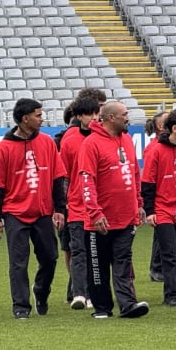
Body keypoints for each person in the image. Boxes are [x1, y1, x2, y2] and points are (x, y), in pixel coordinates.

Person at [0, 98, 67, 319]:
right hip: (15, 213)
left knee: (50, 258)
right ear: (25, 119)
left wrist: (59, 208)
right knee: (18, 262)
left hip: (42, 211)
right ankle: (21, 305)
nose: (42, 119)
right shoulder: (3, 148)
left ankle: (40, 290)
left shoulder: (48, 142)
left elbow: (57, 177)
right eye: (38, 115)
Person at [78, 100, 150, 319]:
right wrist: (95, 212)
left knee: (123, 261)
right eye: (124, 114)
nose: (128, 118)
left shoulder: (127, 140)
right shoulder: (91, 144)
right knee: (98, 265)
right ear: (111, 118)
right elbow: (86, 180)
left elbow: (134, 174)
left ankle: (127, 304)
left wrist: (138, 203)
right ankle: (102, 308)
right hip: (101, 219)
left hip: (125, 216)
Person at [141, 109, 176, 307]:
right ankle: (171, 294)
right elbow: (148, 182)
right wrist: (150, 210)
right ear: (174, 128)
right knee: (169, 253)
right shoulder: (157, 150)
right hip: (163, 209)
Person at [57, 94, 100, 310]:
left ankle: (93, 293)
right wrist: (62, 205)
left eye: (95, 113)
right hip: (75, 204)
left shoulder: (101, 138)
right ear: (79, 116)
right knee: (78, 251)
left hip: (97, 205)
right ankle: (79, 294)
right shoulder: (70, 140)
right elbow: (63, 174)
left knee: (95, 252)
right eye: (88, 114)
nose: (93, 118)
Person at [145, 110, 168, 283]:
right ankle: (156, 268)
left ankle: (159, 268)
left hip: (167, 195)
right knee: (160, 236)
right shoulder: (153, 148)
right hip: (161, 197)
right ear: (160, 126)